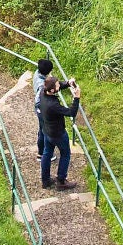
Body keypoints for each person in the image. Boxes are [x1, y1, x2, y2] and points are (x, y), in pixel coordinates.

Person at [32, 59, 74, 191]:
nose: (58, 85)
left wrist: (67, 84)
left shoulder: (43, 92)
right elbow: (71, 112)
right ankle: (61, 181)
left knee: (46, 152)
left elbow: (53, 86)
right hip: (57, 132)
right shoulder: (53, 105)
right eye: (57, 85)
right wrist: (76, 98)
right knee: (66, 153)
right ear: (52, 90)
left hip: (47, 130)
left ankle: (45, 181)